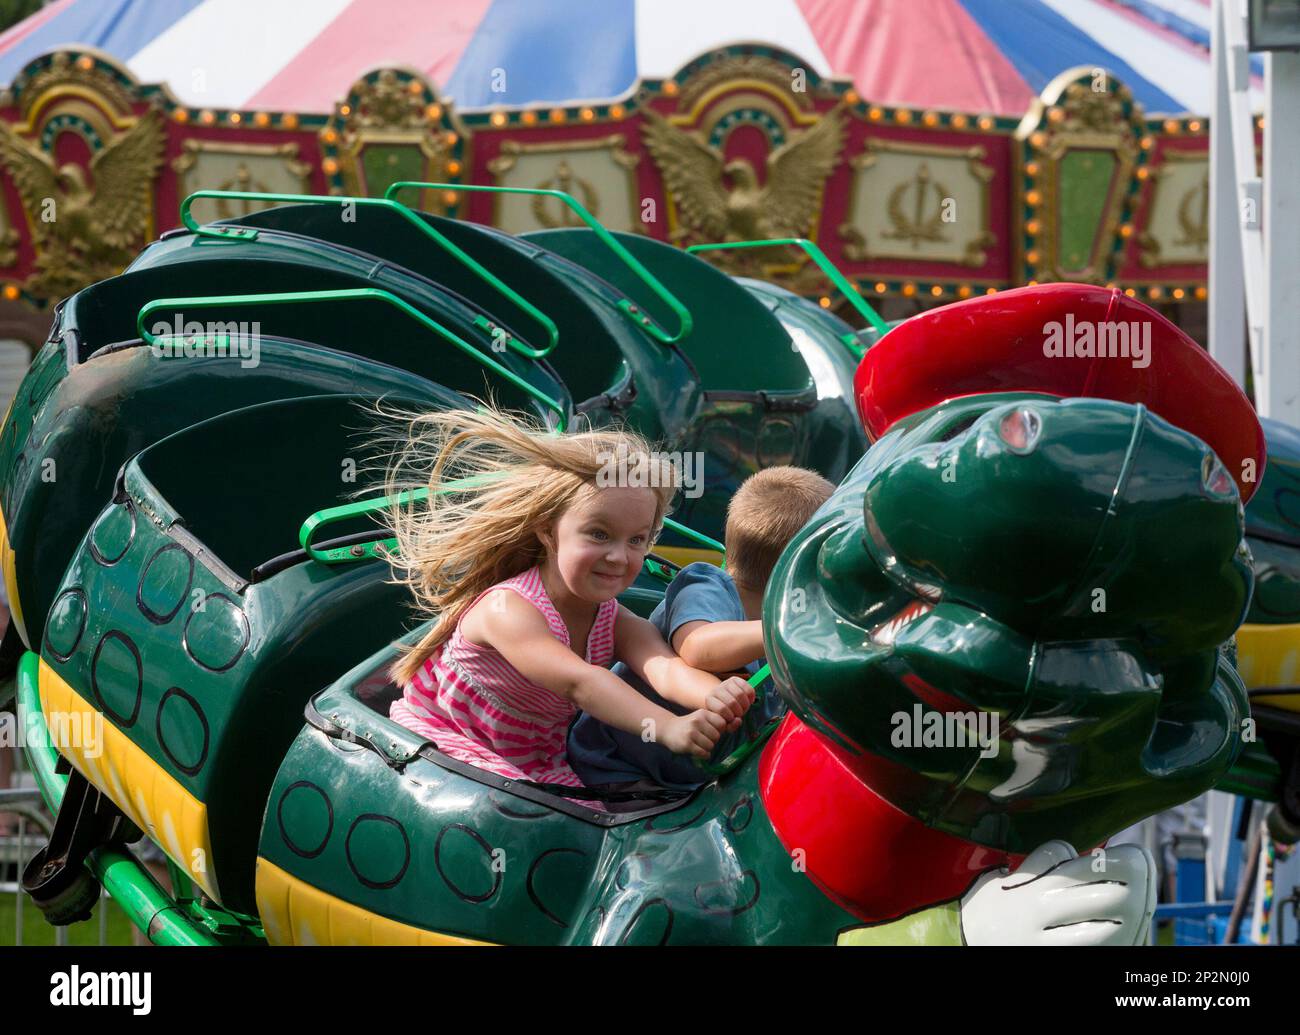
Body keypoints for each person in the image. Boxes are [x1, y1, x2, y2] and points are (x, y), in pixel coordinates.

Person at [382, 403, 754, 791]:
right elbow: (582, 682)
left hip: (535, 759)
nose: (618, 556)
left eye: (636, 540)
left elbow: (664, 668)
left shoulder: (612, 618)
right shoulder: (507, 609)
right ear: (548, 529)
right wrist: (668, 728)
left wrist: (716, 697)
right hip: (446, 746)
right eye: (598, 533)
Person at [568, 466, 834, 789]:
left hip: (684, 783)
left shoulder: (773, 625)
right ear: (799, 575)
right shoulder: (706, 585)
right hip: (611, 766)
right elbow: (696, 646)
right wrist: (784, 627)